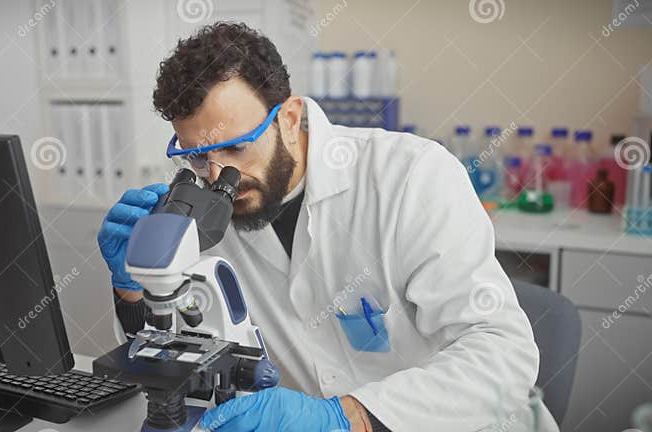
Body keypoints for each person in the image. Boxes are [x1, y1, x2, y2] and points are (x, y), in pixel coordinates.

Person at [98, 22, 558, 432]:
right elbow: (174, 354)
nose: (218, 176)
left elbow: (503, 356)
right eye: (197, 156)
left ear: (289, 118)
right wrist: (133, 290)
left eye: (236, 149)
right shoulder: (203, 209)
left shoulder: (411, 176)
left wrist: (346, 418)